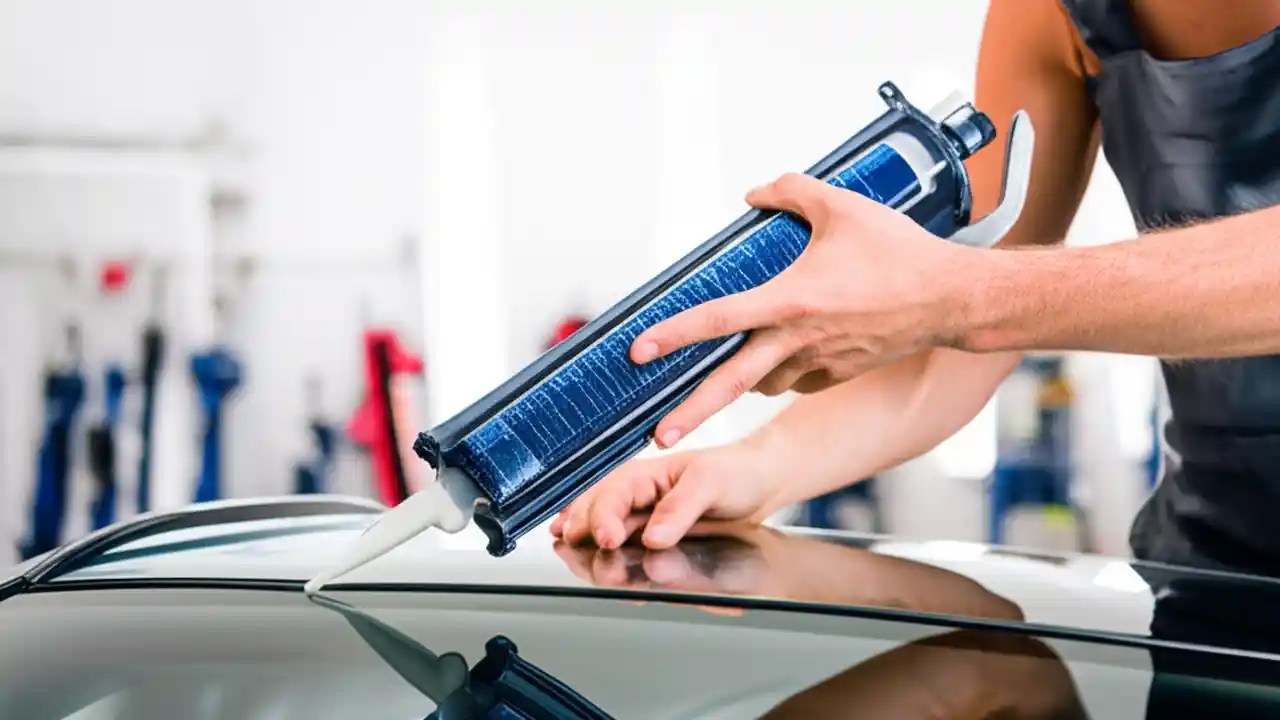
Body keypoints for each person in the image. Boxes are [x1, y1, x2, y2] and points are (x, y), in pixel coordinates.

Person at [552, 0, 1280, 577]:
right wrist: (754, 467)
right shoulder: (1050, 12)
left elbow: (968, 300)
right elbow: (950, 341)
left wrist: (960, 295)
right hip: (1208, 578)